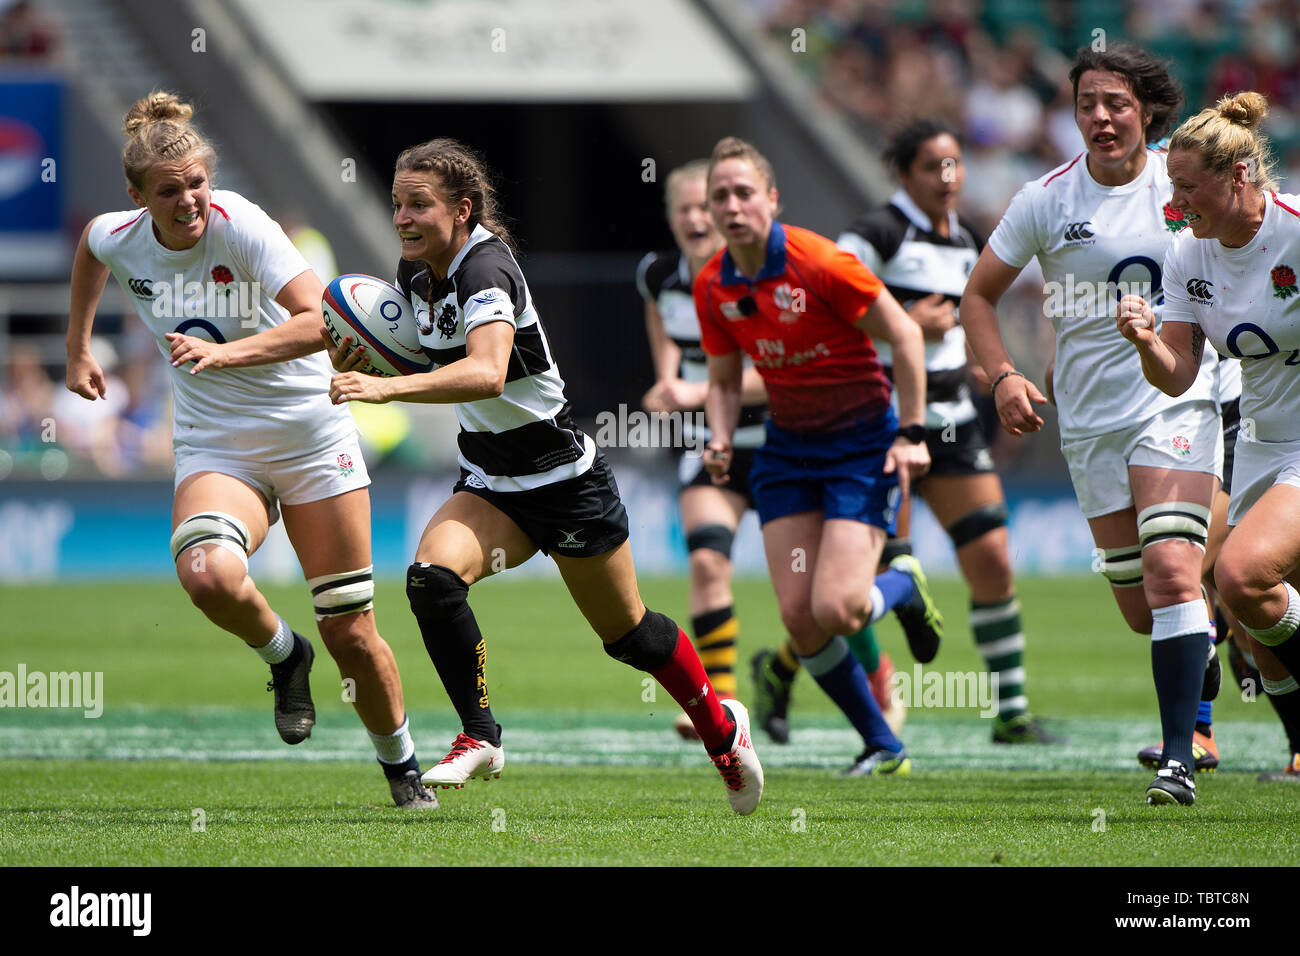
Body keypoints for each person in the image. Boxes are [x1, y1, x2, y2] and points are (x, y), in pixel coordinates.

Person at [325, 138, 763, 814]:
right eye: (396, 206)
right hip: (492, 482)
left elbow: (487, 372)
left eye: (419, 205)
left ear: (463, 210)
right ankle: (480, 736)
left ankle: (720, 728)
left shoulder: (487, 270)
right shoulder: (417, 274)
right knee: (432, 583)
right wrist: (235, 351)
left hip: (564, 483)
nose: (403, 219)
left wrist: (384, 392)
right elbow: (339, 329)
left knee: (631, 637)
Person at [65, 91, 437, 810]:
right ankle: (283, 654)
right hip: (217, 444)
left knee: (351, 632)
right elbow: (89, 251)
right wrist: (78, 347)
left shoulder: (246, 228)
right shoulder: (119, 234)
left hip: (309, 432)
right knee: (206, 575)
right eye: (169, 191)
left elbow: (323, 322)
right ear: (137, 197)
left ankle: (402, 767)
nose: (189, 201)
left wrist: (226, 355)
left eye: (197, 183)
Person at [962, 43, 1223, 806]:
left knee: (1174, 571)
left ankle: (1180, 758)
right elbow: (978, 298)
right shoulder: (1045, 199)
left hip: (1177, 395)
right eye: (1087, 105)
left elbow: (1245, 245)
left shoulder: (1185, 180)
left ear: (1146, 110)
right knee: (1147, 610)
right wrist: (1004, 375)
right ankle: (1205, 632)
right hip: (1086, 418)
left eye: (1115, 103)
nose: (1101, 118)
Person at [695, 135, 944, 776]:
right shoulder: (713, 286)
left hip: (861, 446)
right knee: (801, 621)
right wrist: (720, 437)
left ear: (771, 199)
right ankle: (882, 743)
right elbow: (723, 382)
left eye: (744, 192)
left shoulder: (820, 262)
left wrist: (911, 433)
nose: (731, 205)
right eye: (719, 195)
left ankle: (904, 587)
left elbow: (907, 335)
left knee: (838, 608)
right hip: (787, 451)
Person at [837, 117, 1058, 744]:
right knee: (872, 576)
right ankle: (865, 706)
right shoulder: (875, 233)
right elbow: (824, 306)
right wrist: (905, 320)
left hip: (955, 417)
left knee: (992, 559)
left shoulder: (968, 239)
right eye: (934, 165)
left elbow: (972, 322)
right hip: (881, 417)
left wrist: (1003, 377)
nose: (948, 177)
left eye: (956, 163)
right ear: (904, 173)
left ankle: (1011, 713)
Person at [1116, 90, 1300, 785]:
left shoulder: (1294, 231)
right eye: (1173, 187)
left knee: (1239, 575)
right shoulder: (1187, 253)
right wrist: (1142, 340)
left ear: (1239, 176)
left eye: (1189, 187)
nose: (1177, 200)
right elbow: (1178, 373)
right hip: (1258, 443)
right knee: (1256, 632)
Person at [637, 160, 771, 740]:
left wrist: (693, 389)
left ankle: (822, 673)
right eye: (683, 208)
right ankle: (723, 705)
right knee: (708, 561)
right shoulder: (658, 275)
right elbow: (660, 321)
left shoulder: (753, 277)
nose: (695, 217)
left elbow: (778, 370)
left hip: (782, 442)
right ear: (670, 217)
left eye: (704, 206)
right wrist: (666, 375)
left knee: (821, 601)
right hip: (710, 442)